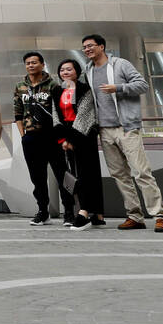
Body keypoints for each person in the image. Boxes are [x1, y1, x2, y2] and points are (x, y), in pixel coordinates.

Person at [81, 34, 163, 232]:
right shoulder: (87, 71)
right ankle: (135, 216)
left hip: (127, 128)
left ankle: (160, 216)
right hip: (104, 130)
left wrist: (119, 88)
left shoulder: (121, 64)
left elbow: (143, 85)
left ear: (102, 46)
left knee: (141, 172)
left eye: (90, 46)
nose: (87, 50)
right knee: (120, 175)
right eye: (84, 48)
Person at [13, 51, 77, 226]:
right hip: (31, 139)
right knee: (37, 177)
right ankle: (43, 211)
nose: (31, 65)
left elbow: (63, 113)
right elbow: (17, 113)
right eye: (28, 63)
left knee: (62, 174)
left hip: (52, 137)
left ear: (42, 64)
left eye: (34, 62)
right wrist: (23, 135)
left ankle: (69, 212)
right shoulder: (20, 86)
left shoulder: (54, 86)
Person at [51, 59, 107, 228]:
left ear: (77, 71)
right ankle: (91, 212)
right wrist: (62, 139)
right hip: (65, 137)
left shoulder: (84, 89)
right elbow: (56, 116)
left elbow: (84, 115)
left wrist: (71, 139)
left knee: (88, 173)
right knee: (75, 174)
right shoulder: (56, 90)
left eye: (69, 69)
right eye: (62, 70)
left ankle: (87, 212)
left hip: (84, 136)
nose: (65, 72)